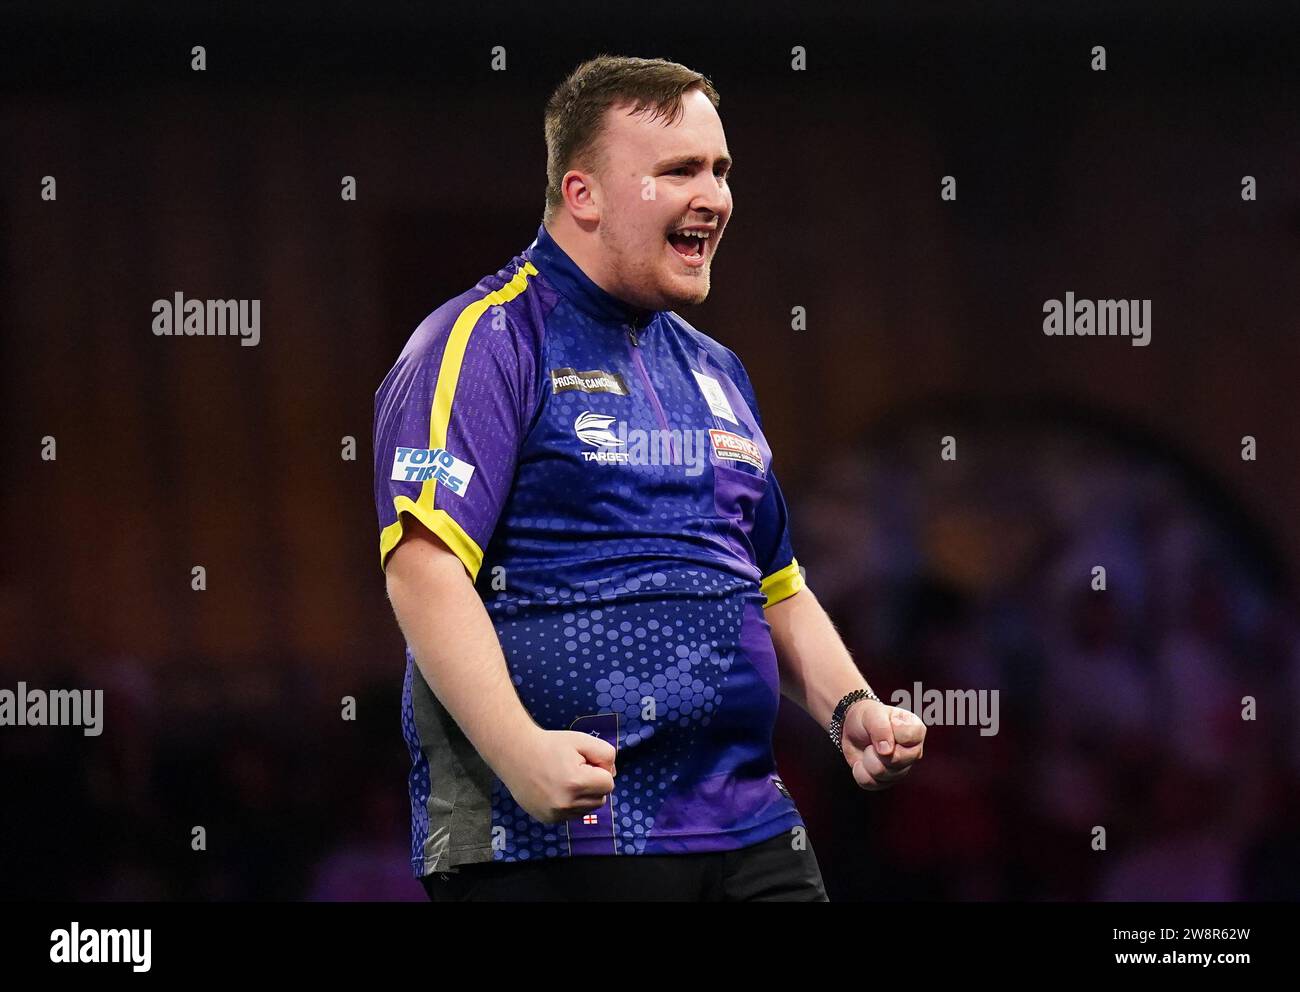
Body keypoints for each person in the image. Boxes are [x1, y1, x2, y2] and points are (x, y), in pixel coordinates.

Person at [374, 54, 925, 902]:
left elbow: (774, 583)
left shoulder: (718, 371)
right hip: (551, 841)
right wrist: (521, 753)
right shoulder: (484, 342)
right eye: (678, 171)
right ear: (583, 194)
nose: (714, 195)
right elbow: (422, 566)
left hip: (747, 826)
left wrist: (852, 709)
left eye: (720, 169)